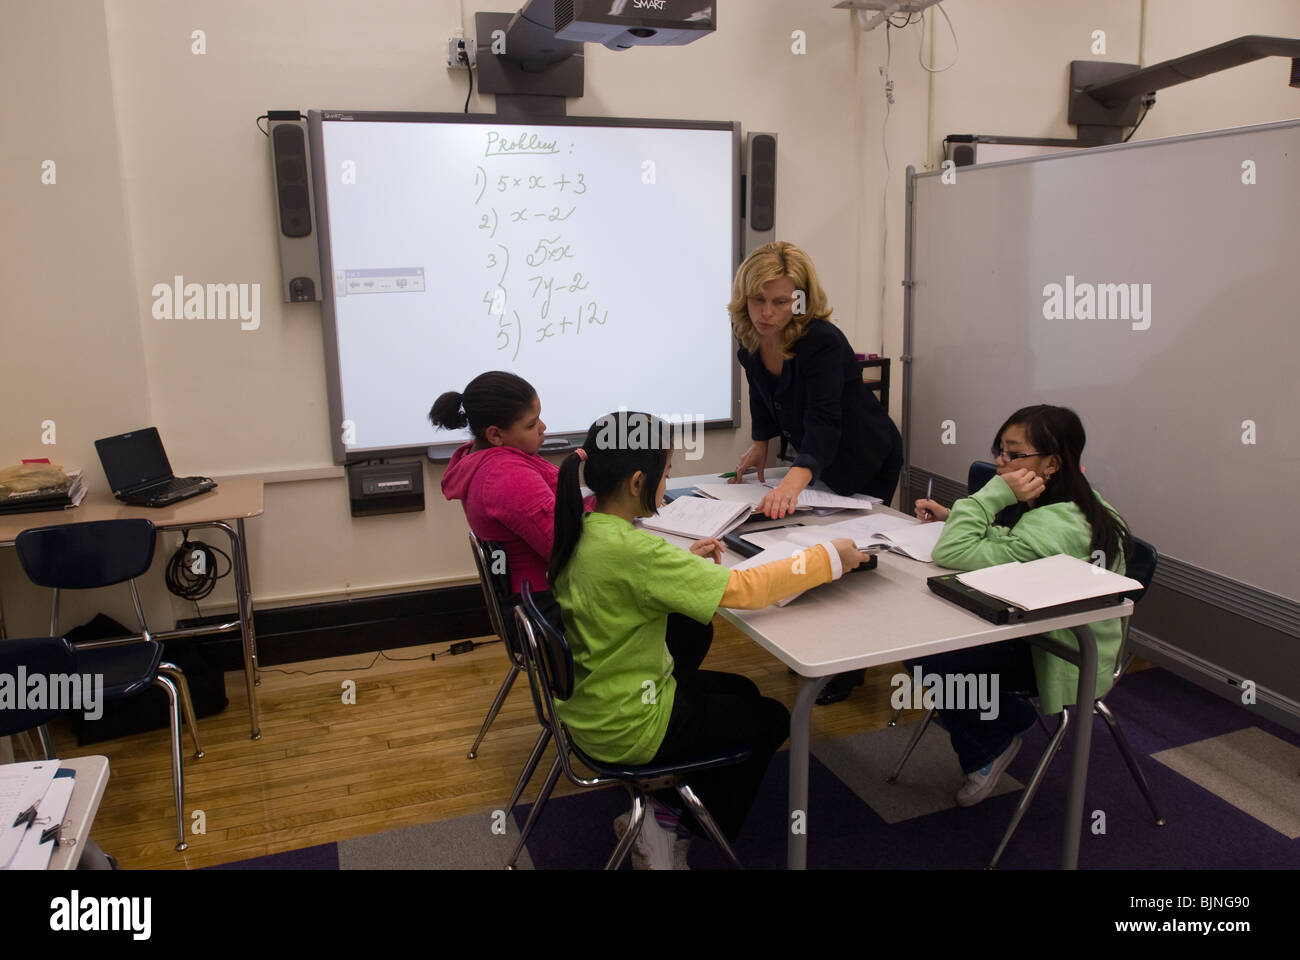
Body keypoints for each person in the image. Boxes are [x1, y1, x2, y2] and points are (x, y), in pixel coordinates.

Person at [550, 410, 868, 868]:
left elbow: (635, 582)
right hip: (629, 725)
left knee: (743, 691)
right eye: (667, 474)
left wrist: (683, 566)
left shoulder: (586, 529)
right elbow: (746, 590)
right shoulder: (637, 551)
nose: (668, 484)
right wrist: (828, 557)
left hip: (596, 706)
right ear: (639, 481)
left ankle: (661, 810)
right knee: (773, 719)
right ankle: (669, 825)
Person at [912, 404, 1132, 807]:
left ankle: (999, 730)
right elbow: (1013, 546)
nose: (1000, 462)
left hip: (1060, 651)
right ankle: (994, 717)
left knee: (928, 656)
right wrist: (953, 518)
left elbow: (954, 552)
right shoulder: (1068, 503)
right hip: (1035, 626)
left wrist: (986, 499)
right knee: (926, 643)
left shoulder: (1059, 525)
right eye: (1000, 450)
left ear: (1052, 463)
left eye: (1013, 454)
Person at [729, 240, 903, 704]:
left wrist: (793, 480)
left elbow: (826, 419)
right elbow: (761, 393)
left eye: (781, 302)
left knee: (850, 558)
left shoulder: (822, 341)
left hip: (865, 455)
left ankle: (850, 666)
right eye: (758, 300)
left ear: (801, 299)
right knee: (811, 549)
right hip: (814, 457)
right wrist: (760, 444)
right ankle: (821, 653)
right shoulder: (748, 336)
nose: (767, 312)